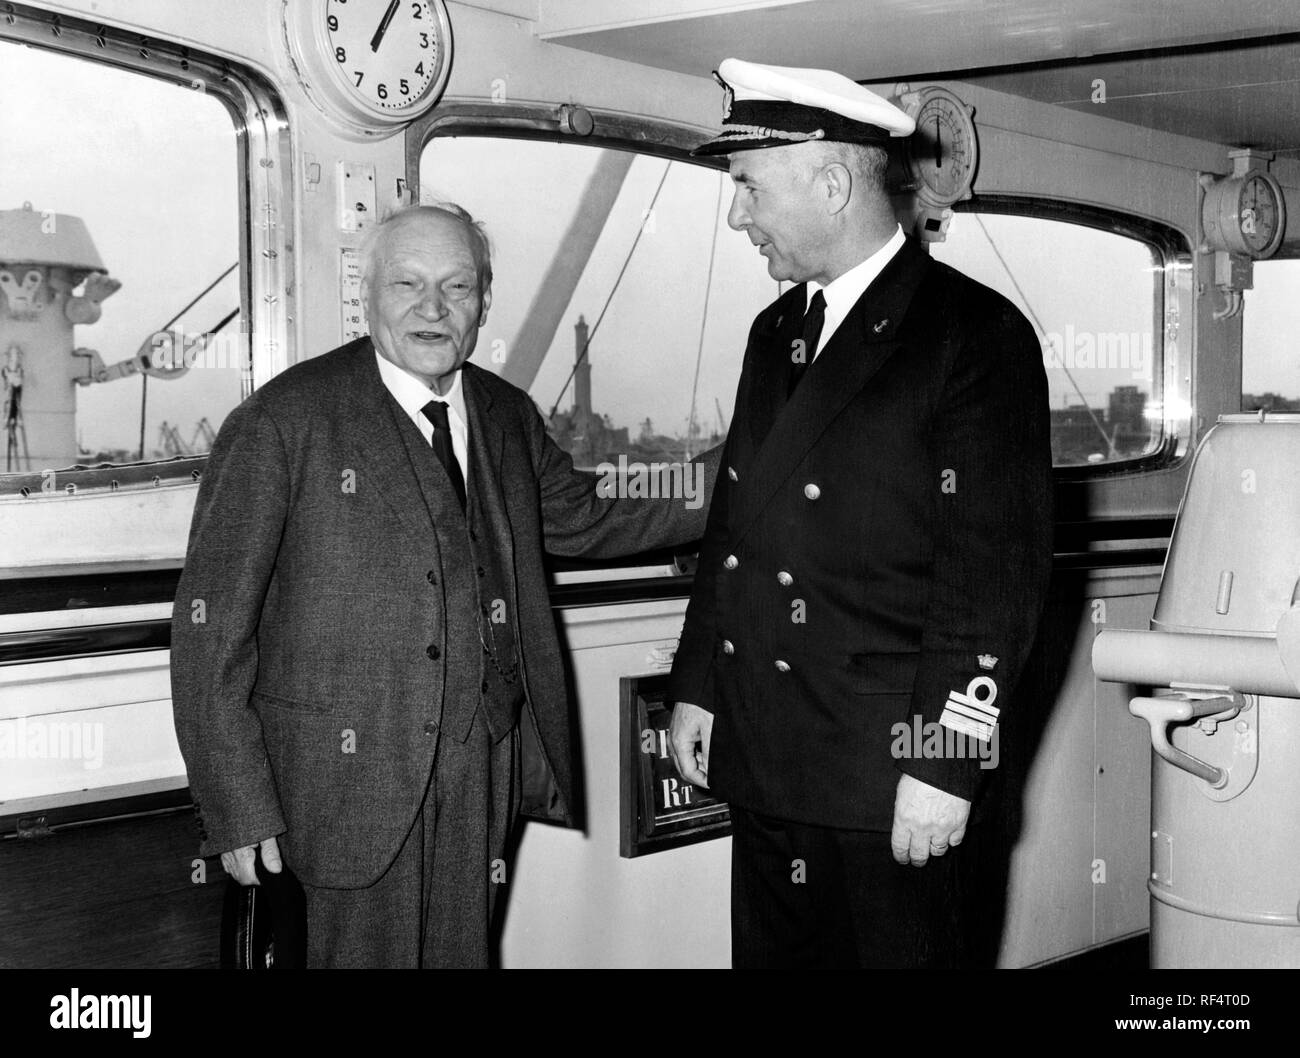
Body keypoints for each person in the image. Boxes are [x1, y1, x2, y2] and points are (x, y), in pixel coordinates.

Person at [172, 203, 714, 968]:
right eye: (409, 284)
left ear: (484, 302)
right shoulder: (283, 421)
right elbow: (208, 633)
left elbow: (588, 516)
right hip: (339, 785)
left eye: (457, 287)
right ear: (368, 296)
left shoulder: (503, 414)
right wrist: (237, 807)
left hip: (481, 762)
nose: (433, 308)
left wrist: (748, 475)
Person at [667, 59, 1054, 968]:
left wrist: (947, 763)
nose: (737, 216)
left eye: (749, 189)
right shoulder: (776, 332)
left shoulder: (974, 336)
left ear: (833, 184)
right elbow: (736, 527)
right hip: (771, 752)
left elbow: (992, 584)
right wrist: (699, 684)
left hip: (894, 775)